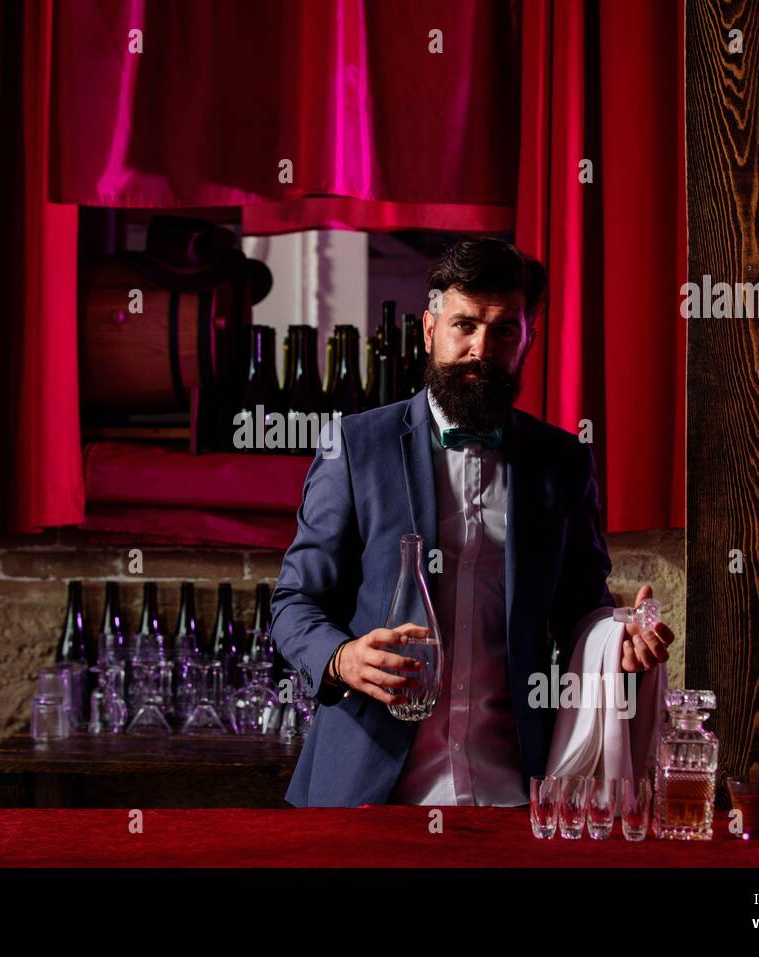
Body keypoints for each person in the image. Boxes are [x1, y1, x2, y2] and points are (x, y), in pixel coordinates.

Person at [270, 237, 674, 808]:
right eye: (465, 325)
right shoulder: (356, 448)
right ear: (430, 329)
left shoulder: (562, 461)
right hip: (370, 795)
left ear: (526, 342)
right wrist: (341, 658)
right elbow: (293, 605)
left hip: (515, 791)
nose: (480, 349)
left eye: (504, 330)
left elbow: (583, 609)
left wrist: (620, 636)